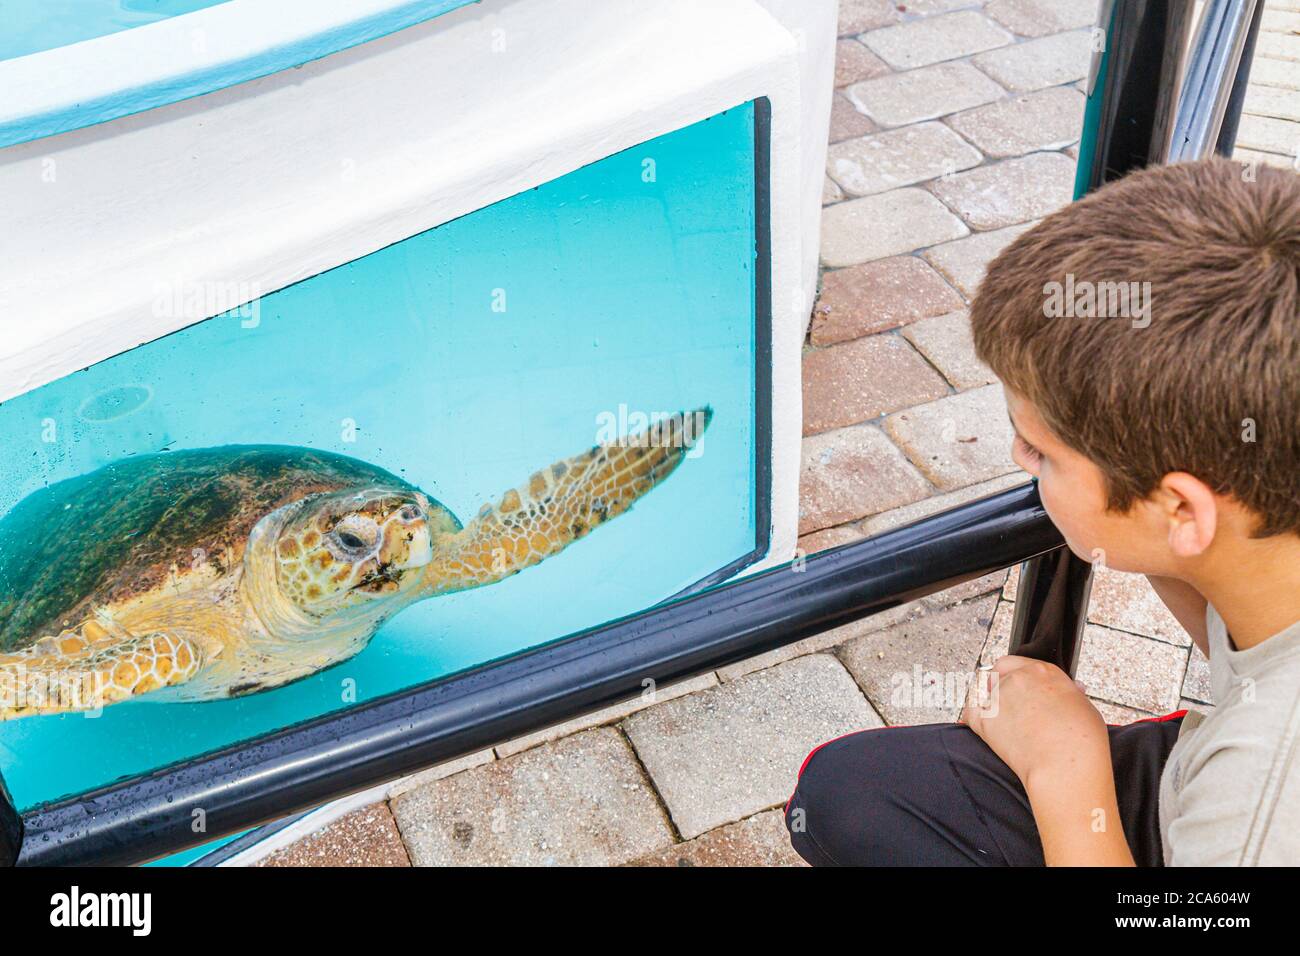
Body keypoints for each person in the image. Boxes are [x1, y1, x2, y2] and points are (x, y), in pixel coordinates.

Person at [785, 158, 1300, 865]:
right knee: (857, 793)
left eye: (1042, 453)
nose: (1021, 459)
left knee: (838, 803)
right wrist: (1136, 535)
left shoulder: (1266, 794)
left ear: (1182, 507)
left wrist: (1065, 766)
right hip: (1209, 776)